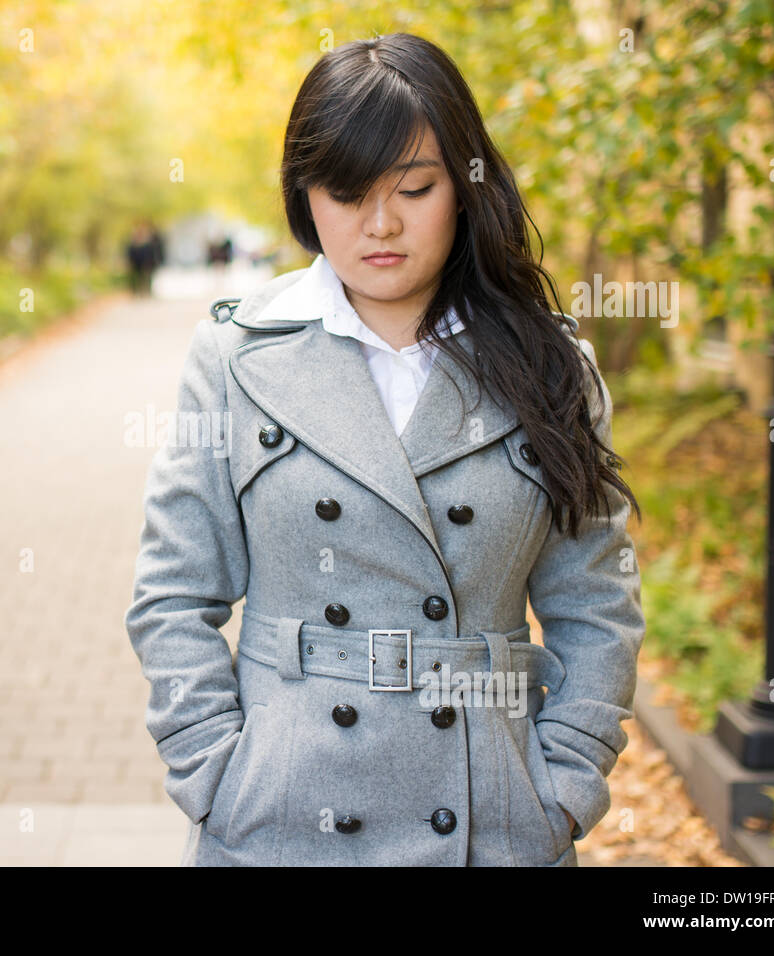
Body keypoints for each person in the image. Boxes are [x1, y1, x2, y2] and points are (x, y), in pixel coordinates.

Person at [124, 32, 645, 866]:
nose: (381, 224)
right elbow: (173, 596)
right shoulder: (237, 358)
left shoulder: (549, 366)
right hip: (281, 822)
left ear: (465, 186)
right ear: (305, 197)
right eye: (346, 192)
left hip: (491, 827)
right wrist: (215, 773)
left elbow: (597, 605)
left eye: (415, 187)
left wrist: (564, 786)